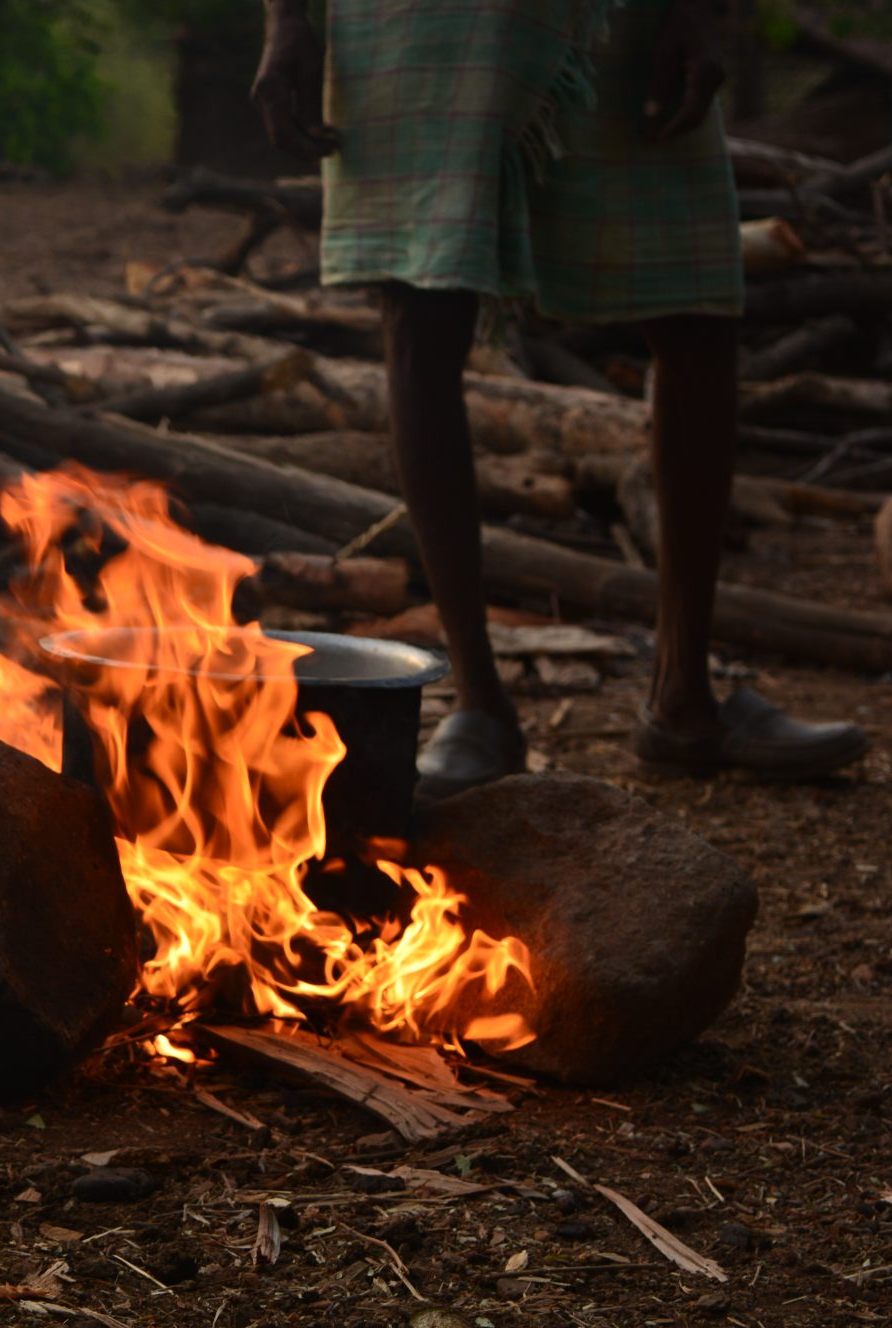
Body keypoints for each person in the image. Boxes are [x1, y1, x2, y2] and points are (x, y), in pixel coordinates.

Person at [250, 0, 869, 797]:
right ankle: (478, 702)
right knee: (420, 300)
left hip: (613, 17)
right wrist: (285, 19)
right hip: (412, 25)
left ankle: (684, 695)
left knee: (696, 303)